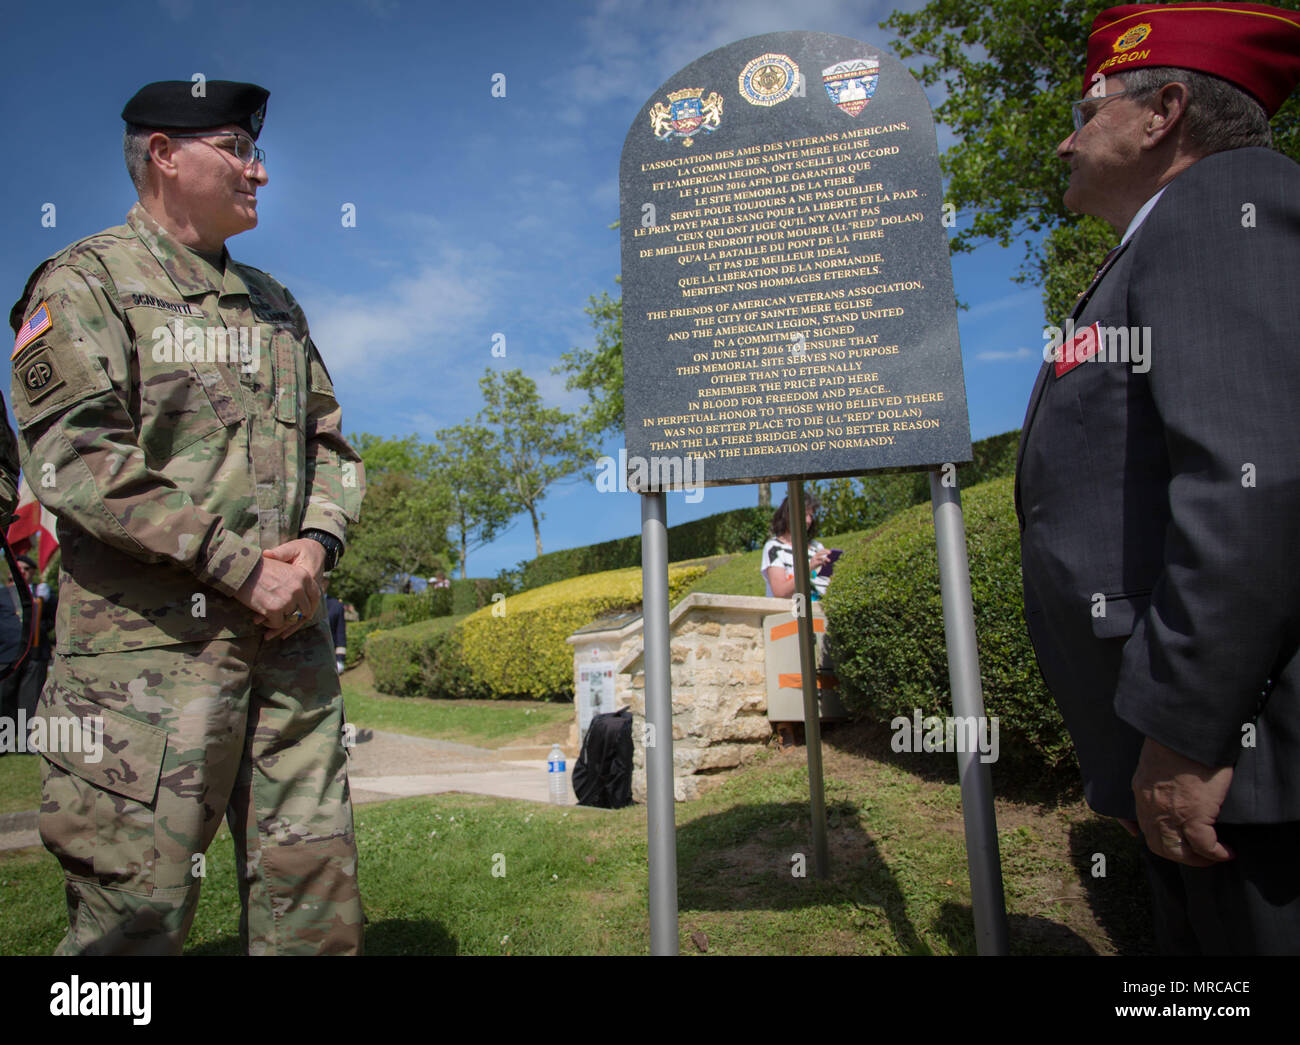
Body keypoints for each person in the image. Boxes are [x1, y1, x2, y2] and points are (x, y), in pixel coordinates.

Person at [8, 80, 366, 955]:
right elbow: (77, 458)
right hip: (149, 673)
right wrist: (247, 568)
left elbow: (332, 446)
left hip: (290, 656)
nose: (261, 171)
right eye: (239, 149)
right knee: (128, 925)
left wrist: (317, 547)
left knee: (311, 902)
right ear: (165, 154)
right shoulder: (86, 282)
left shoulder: (275, 304)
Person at [1015, 2, 1300, 954]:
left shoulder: (1222, 206)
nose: (1065, 139)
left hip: (1235, 777)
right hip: (1202, 771)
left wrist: (1184, 731)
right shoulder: (1163, 236)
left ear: (1161, 111)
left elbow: (1252, 481)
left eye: (1086, 109)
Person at [760, 491, 832, 600]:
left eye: (811, 516)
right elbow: (780, 592)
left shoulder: (817, 547)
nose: (808, 520)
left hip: (821, 611)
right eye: (804, 514)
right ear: (788, 515)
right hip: (792, 613)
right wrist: (808, 568)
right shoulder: (774, 548)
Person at [13, 554, 55, 723]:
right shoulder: (4, 593)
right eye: (18, 568)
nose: (22, 572)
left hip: (36, 652)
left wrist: (47, 601)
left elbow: (55, 618)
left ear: (33, 572)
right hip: (9, 654)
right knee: (5, 696)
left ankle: (28, 738)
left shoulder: (42, 593)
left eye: (26, 569)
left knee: (30, 697)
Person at [324, 576, 347, 675]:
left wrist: (340, 660)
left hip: (327, 657)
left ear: (327, 582)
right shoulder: (301, 601)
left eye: (323, 579)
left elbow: (340, 633)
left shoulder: (336, 606)